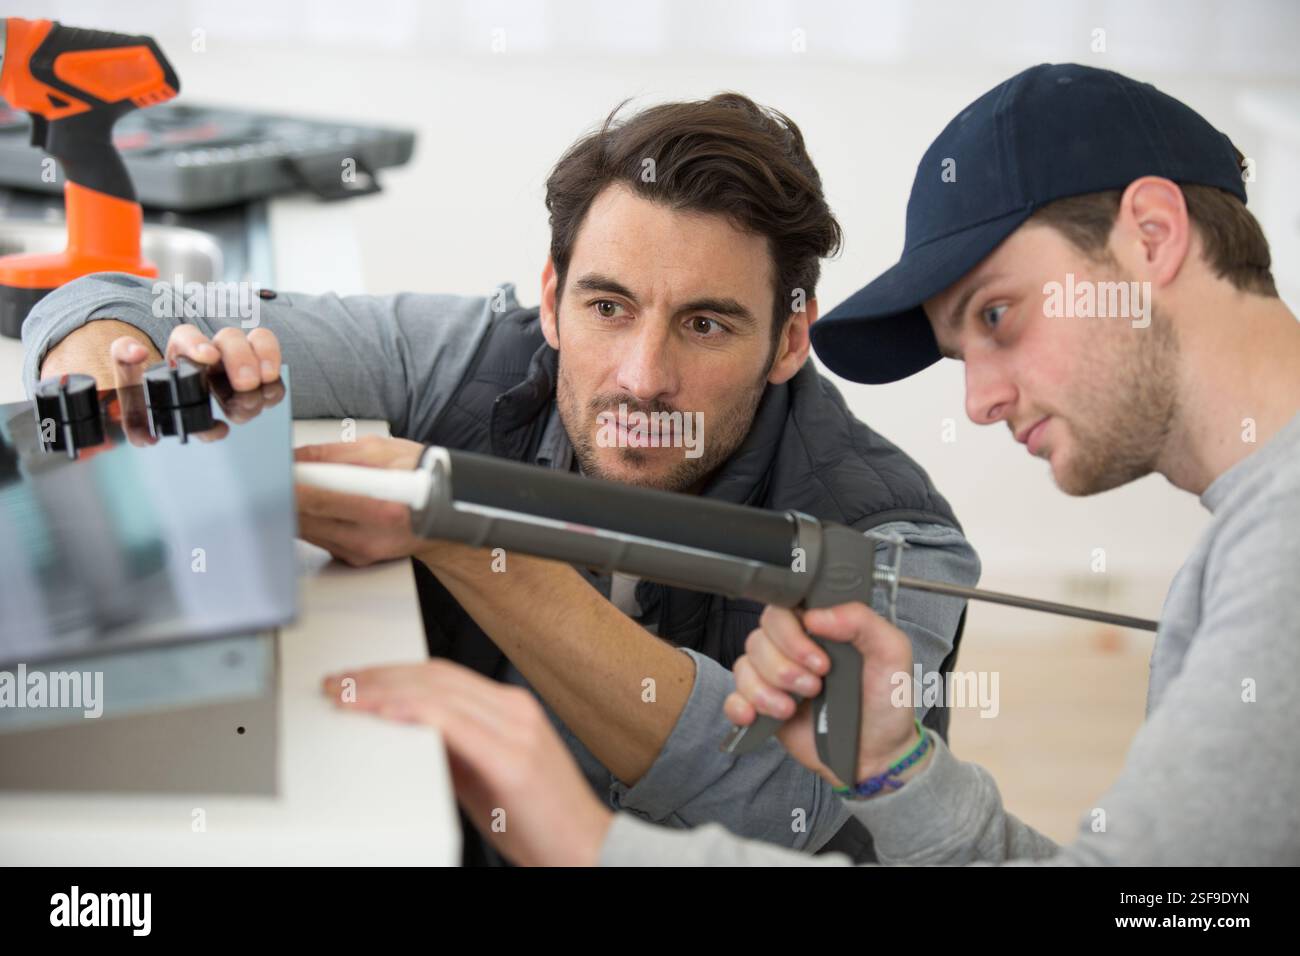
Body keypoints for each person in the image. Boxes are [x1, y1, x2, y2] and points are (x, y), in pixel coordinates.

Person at [330, 63, 1300, 867]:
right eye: (967, 352)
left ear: (1153, 235)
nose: (978, 401)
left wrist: (593, 844)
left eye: (997, 315)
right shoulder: (1247, 533)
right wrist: (896, 769)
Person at [23, 93, 978, 862]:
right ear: (553, 300)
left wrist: (455, 526)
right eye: (609, 306)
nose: (642, 377)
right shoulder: (476, 353)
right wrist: (110, 351)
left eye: (705, 324)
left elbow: (791, 809)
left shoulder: (892, 537)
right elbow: (113, 302)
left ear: (790, 339)